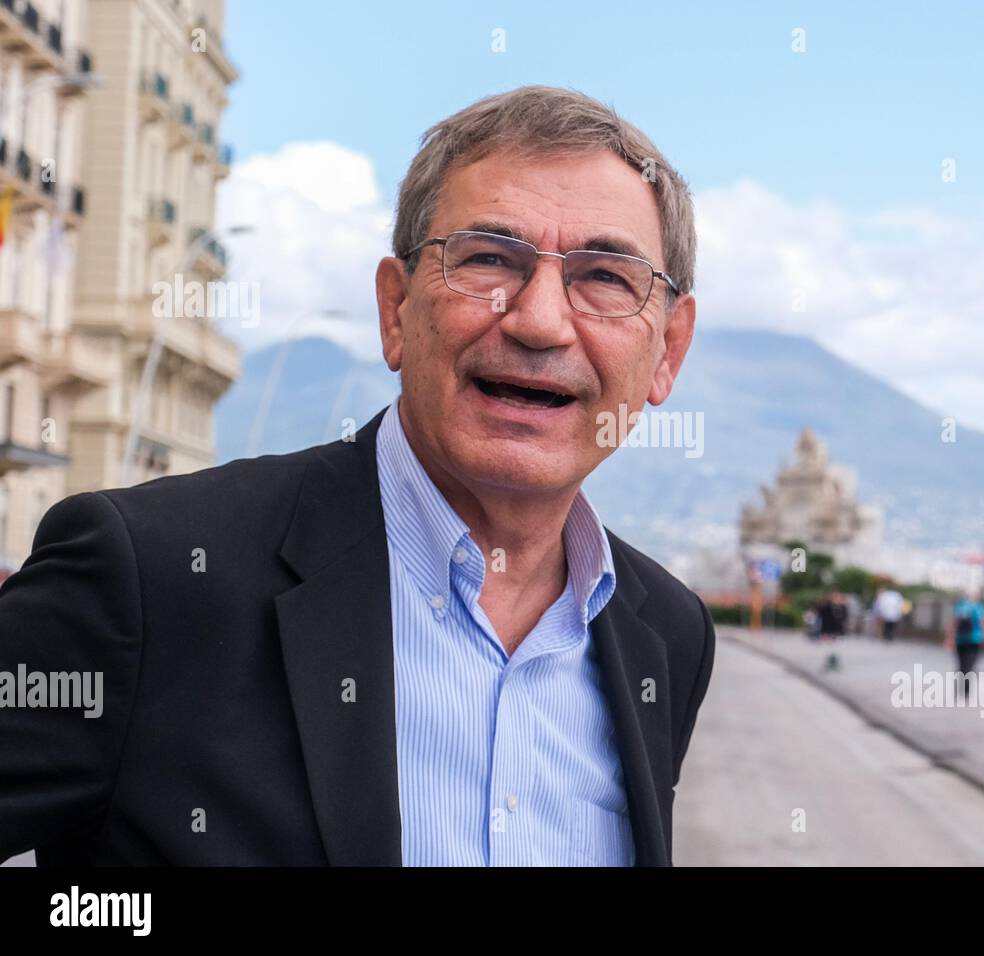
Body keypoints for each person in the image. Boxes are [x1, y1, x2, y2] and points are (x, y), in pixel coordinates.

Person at [0, 87, 713, 867]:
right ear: (395, 310)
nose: (539, 321)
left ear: (668, 353)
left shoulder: (668, 635)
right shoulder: (148, 572)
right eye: (486, 259)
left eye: (605, 278)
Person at [947, 589, 984, 702]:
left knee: (961, 664)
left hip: (960, 639)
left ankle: (959, 689)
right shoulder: (979, 607)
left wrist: (950, 638)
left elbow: (954, 623)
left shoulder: (959, 607)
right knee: (970, 665)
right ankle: (966, 690)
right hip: (975, 639)